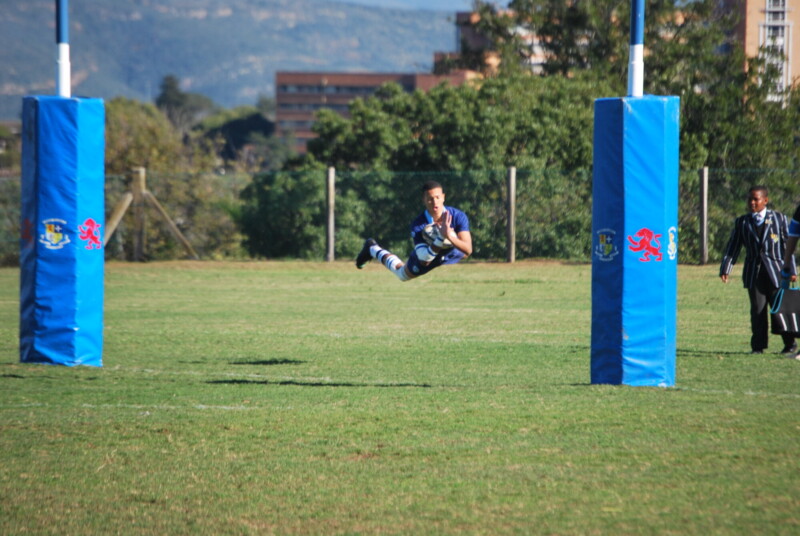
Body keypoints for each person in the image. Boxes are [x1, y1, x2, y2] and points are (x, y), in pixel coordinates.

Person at [720, 185, 796, 355]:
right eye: (750, 199)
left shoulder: (779, 219)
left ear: (765, 200)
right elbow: (733, 246)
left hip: (777, 273)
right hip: (754, 274)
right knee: (757, 310)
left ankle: (789, 344)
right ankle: (758, 347)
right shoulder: (743, 222)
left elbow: (787, 245)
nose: (752, 202)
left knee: (781, 309)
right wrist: (726, 268)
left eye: (756, 199)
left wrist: (791, 270)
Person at [355, 180, 472, 281]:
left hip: (451, 252)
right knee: (402, 274)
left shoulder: (457, 216)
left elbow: (468, 250)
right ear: (424, 200)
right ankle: (372, 248)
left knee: (461, 250)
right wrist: (441, 238)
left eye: (437, 197)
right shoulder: (418, 224)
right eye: (430, 199)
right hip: (428, 254)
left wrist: (449, 236)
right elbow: (424, 261)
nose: (435, 202)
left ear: (443, 197)